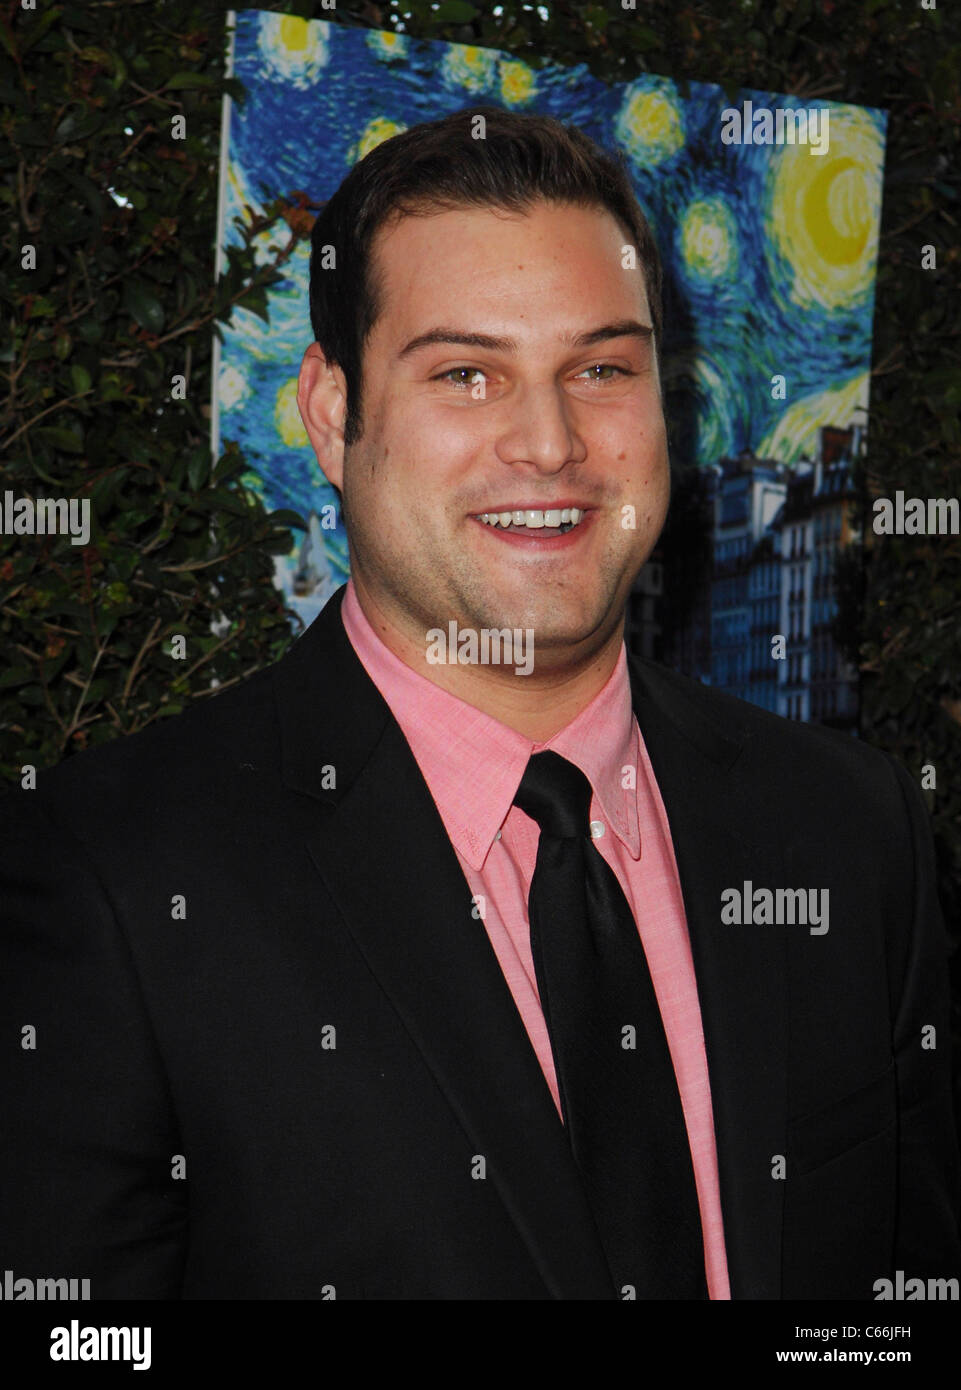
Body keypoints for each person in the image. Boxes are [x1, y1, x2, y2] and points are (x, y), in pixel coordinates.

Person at [1, 107, 958, 1301]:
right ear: (333, 414)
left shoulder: (848, 828)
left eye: (600, 369)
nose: (551, 444)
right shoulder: (113, 874)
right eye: (467, 373)